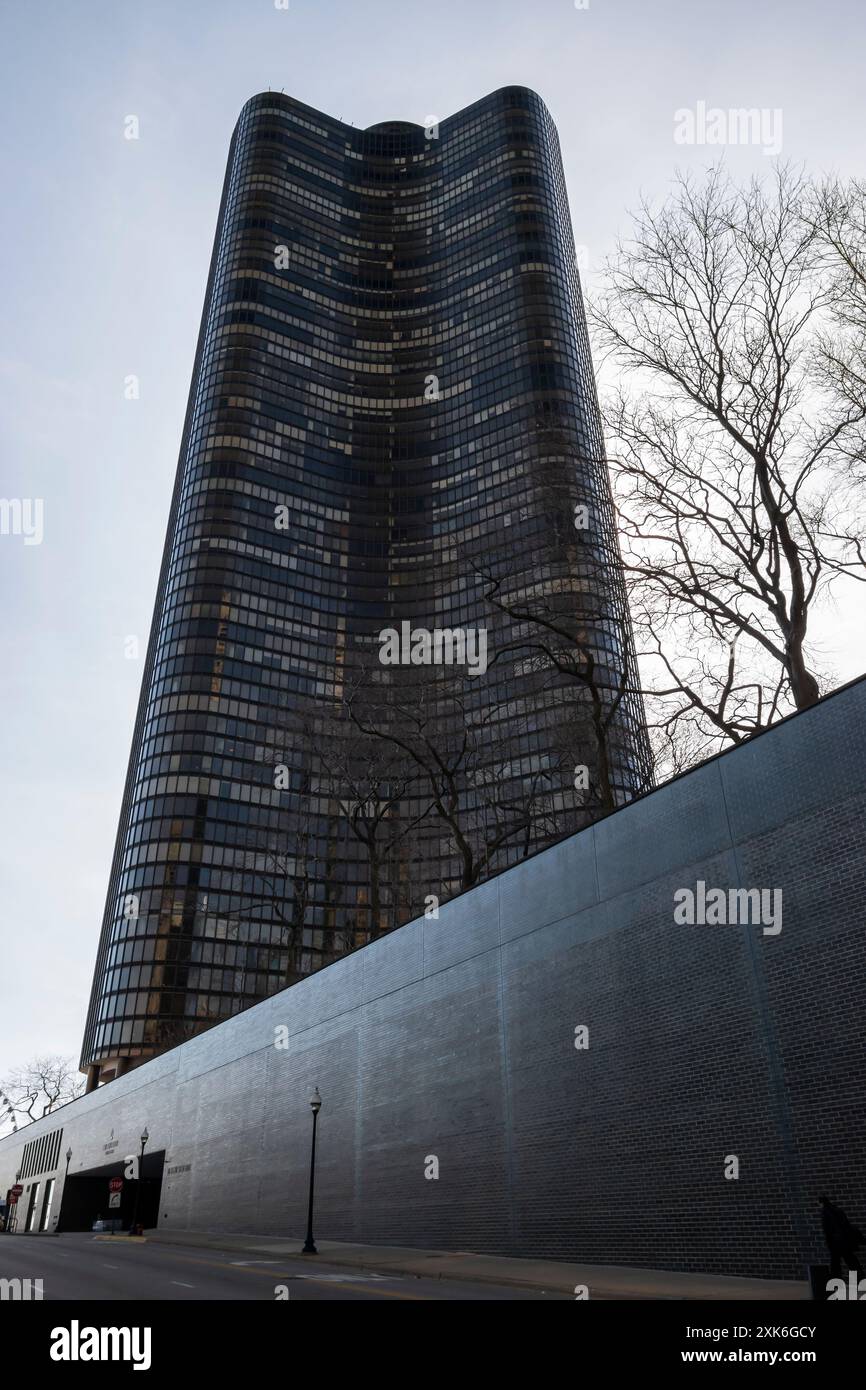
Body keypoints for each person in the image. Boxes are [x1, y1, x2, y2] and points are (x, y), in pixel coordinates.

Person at [820, 1194, 864, 1280]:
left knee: (835, 1264)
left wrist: (829, 1243)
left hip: (835, 1242)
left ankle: (836, 1281)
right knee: (851, 1262)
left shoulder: (825, 1213)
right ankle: (860, 1279)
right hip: (845, 1241)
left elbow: (827, 1230)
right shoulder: (838, 1210)